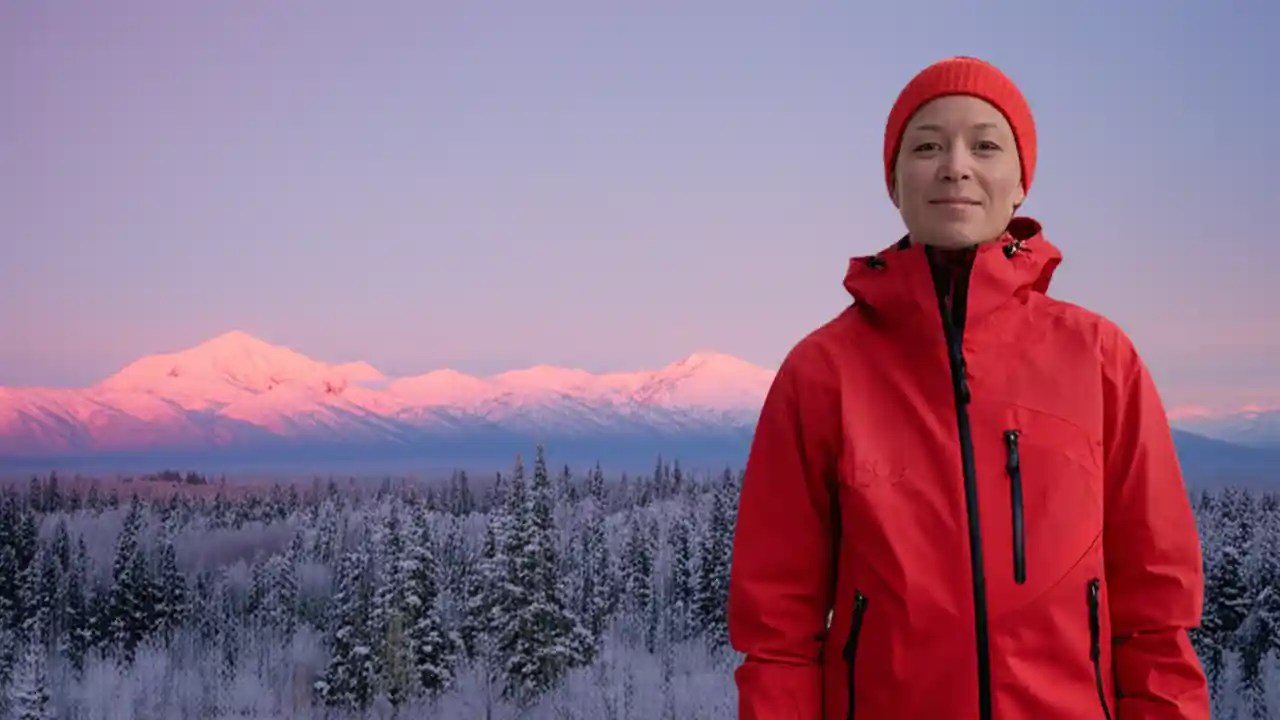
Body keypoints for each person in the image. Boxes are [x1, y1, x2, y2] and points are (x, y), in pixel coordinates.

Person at [726, 56, 1209, 720]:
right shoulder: (822, 373)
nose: (955, 165)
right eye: (926, 146)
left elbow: (1156, 616)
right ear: (894, 183)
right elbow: (776, 634)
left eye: (985, 144)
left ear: (1020, 183)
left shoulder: (1101, 359)